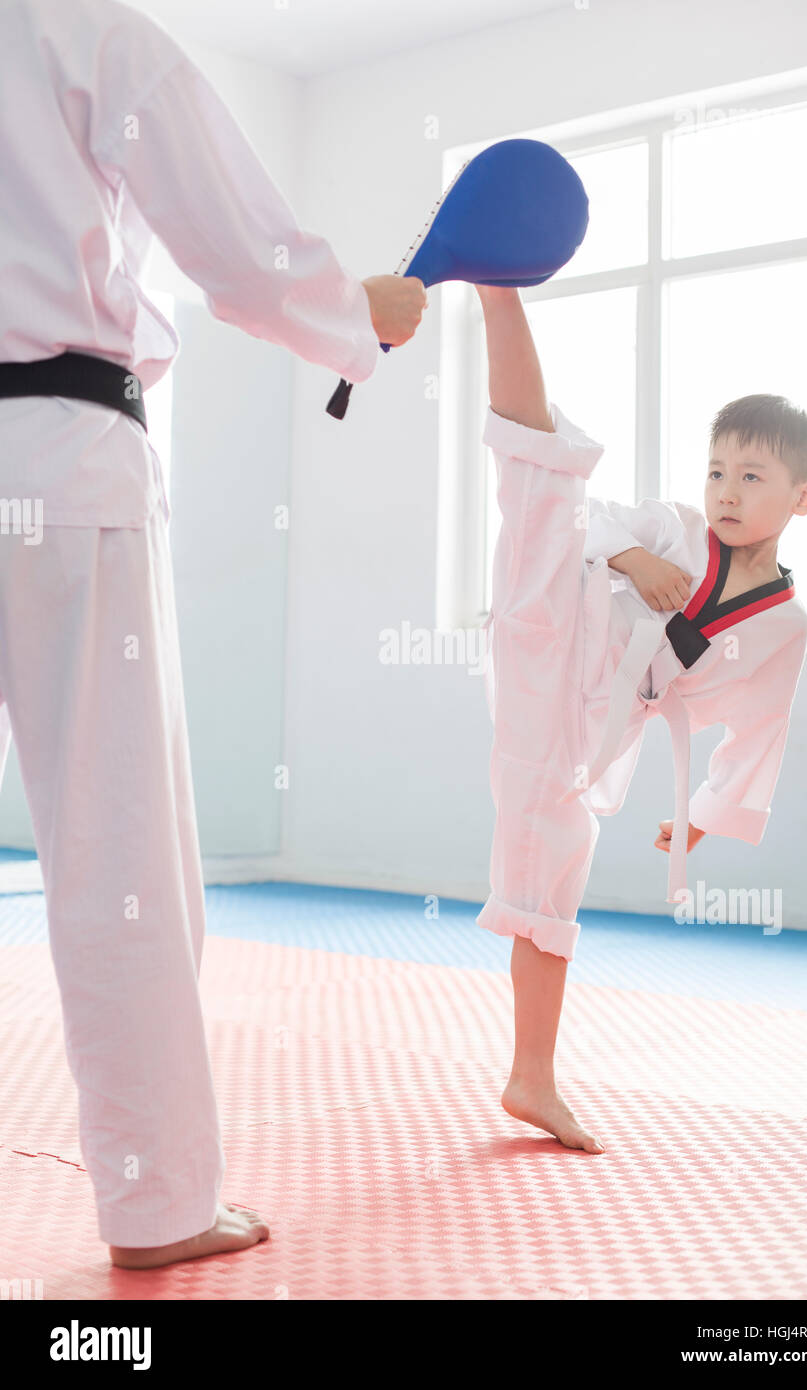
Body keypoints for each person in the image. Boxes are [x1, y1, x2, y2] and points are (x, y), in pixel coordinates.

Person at [0, 0, 426, 1268]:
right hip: (63, 460)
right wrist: (364, 312)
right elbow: (241, 258)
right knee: (115, 841)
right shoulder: (84, 32)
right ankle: (158, 1200)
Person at [474, 283, 807, 1153]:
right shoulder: (672, 529)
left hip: (597, 721)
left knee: (556, 863)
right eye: (718, 471)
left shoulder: (784, 622)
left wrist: (700, 821)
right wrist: (632, 555)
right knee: (546, 475)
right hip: (559, 624)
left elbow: (760, 731)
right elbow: (595, 522)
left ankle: (531, 1077)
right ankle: (496, 287)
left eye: (752, 477)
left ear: (802, 498)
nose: (726, 492)